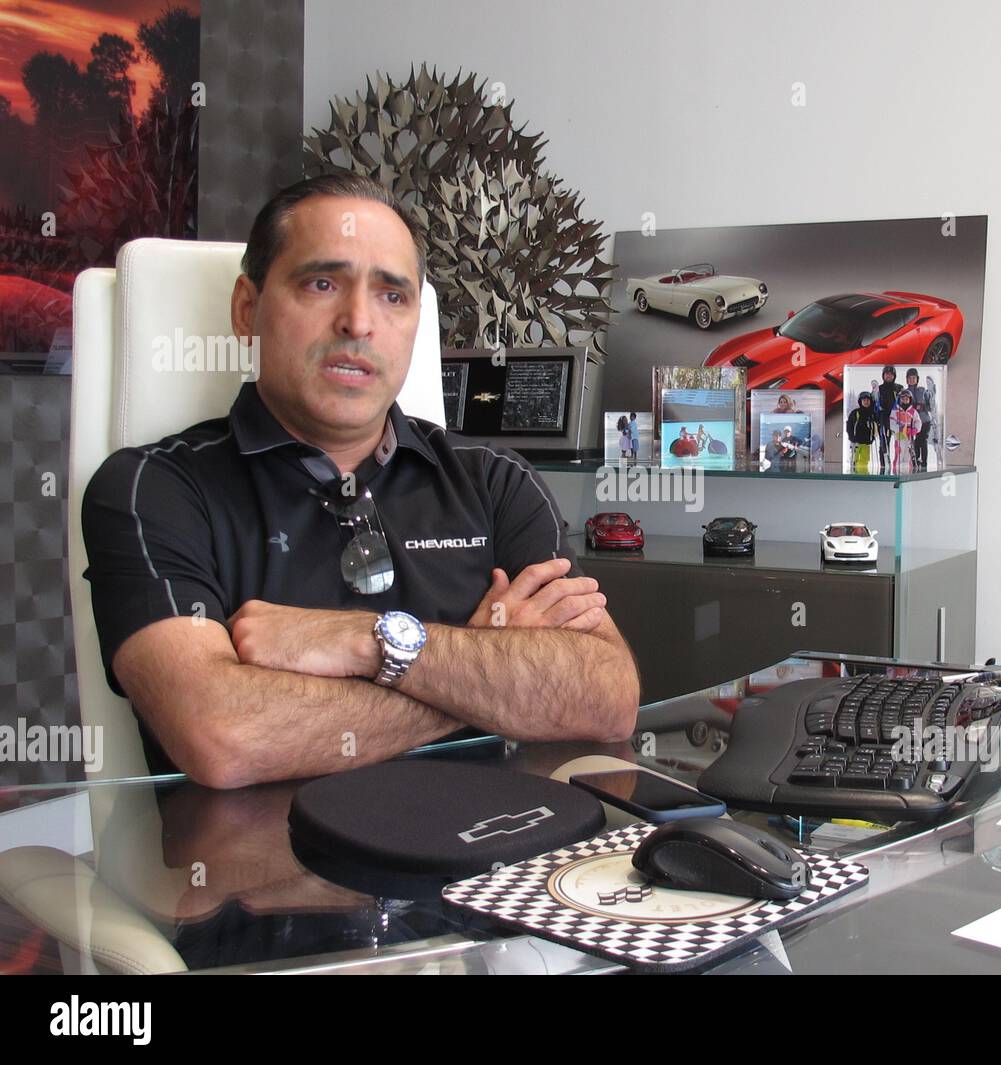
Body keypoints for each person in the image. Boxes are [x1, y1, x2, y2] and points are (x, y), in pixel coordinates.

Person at [81, 173, 639, 788]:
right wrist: (484, 673)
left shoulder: (494, 480)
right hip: (271, 873)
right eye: (322, 283)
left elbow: (606, 698)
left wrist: (368, 641)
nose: (358, 322)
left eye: (392, 296)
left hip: (498, 862)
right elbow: (225, 735)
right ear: (248, 309)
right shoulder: (153, 490)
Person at [906, 368, 934, 471]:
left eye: (914, 378)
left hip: (924, 421)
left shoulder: (922, 390)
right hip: (912, 422)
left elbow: (930, 407)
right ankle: (916, 463)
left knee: (923, 441)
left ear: (917, 379)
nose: (912, 380)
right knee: (915, 443)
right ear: (907, 380)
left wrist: (923, 405)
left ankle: (924, 464)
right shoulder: (905, 392)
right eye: (910, 378)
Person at [875, 365, 901, 470]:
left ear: (894, 376)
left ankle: (898, 465)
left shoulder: (899, 388)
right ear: (883, 376)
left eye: (891, 374)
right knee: (884, 443)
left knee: (900, 444)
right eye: (887, 374)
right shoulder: (879, 389)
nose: (889, 376)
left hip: (897, 420)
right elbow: (874, 404)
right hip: (884, 419)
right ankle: (884, 465)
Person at [890, 388, 921, 473]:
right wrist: (899, 428)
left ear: (910, 400)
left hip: (909, 437)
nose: (905, 400)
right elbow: (891, 423)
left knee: (908, 456)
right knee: (899, 455)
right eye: (903, 399)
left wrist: (915, 430)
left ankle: (908, 474)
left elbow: (918, 422)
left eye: (907, 399)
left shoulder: (913, 411)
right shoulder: (896, 411)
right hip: (899, 437)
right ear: (900, 399)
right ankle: (896, 473)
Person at [845, 391, 876, 474]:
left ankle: (864, 476)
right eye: (864, 400)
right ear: (860, 401)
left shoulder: (872, 414)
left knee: (864, 461)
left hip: (866, 443)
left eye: (868, 400)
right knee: (855, 461)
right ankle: (855, 477)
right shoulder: (856, 413)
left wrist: (872, 437)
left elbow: (874, 427)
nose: (866, 402)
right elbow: (849, 426)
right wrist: (851, 437)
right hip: (856, 443)